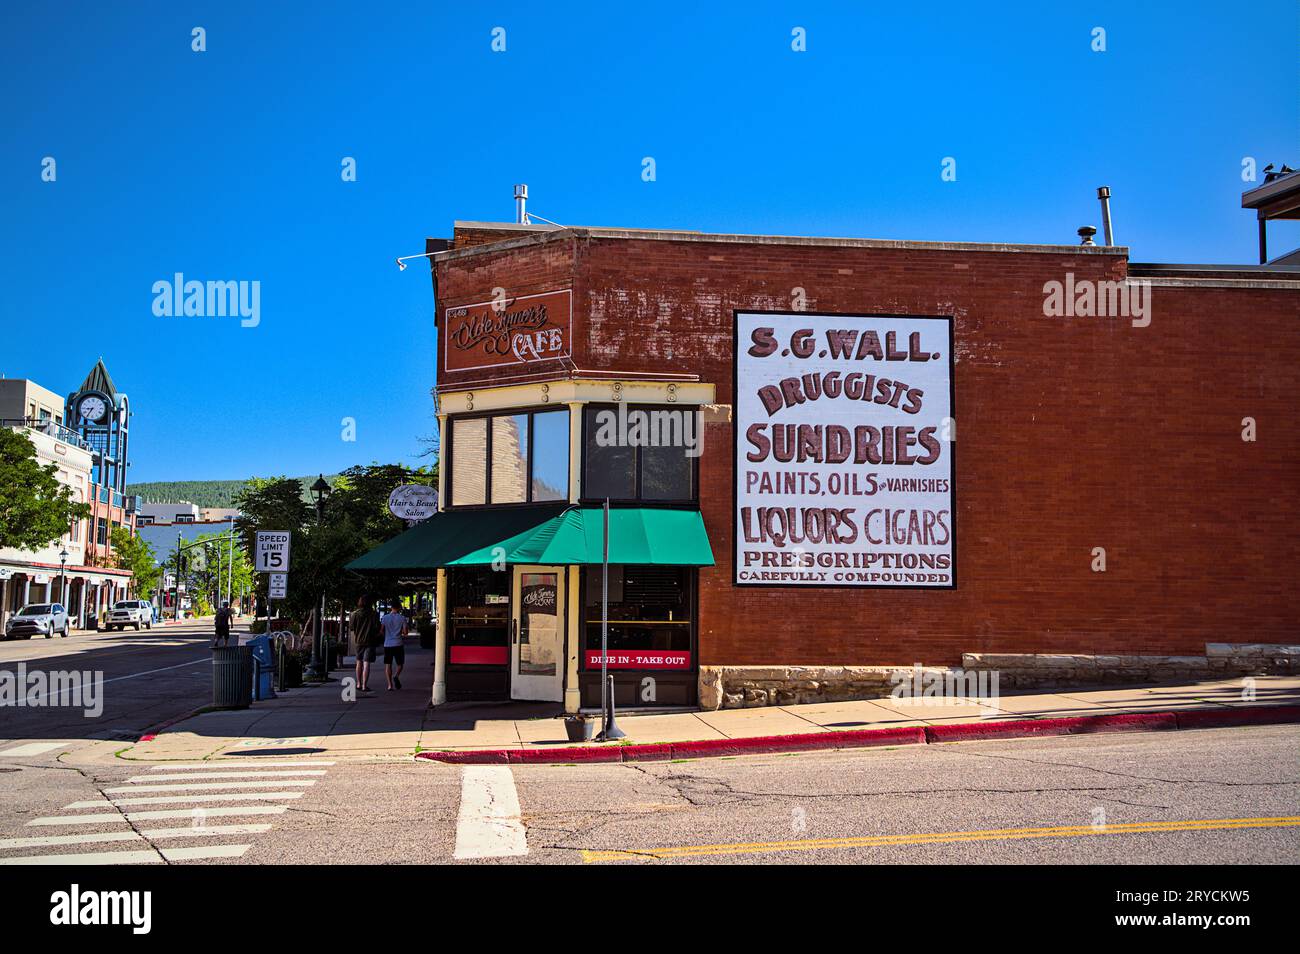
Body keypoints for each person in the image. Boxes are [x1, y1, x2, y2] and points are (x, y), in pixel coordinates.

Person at [349, 594, 382, 696]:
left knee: (359, 662)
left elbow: (351, 628)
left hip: (358, 641)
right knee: (366, 663)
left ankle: (358, 683)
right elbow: (377, 628)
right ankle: (364, 685)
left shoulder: (354, 614)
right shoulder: (374, 614)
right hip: (370, 641)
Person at [380, 600, 409, 691]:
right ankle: (396, 676)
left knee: (388, 664)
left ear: (391, 607)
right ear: (399, 607)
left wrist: (386, 635)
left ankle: (389, 685)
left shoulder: (385, 618)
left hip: (387, 644)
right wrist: (401, 632)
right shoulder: (402, 618)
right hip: (398, 643)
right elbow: (405, 633)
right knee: (400, 664)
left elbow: (381, 630)